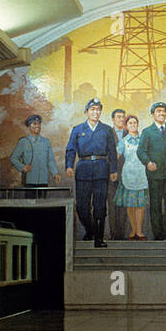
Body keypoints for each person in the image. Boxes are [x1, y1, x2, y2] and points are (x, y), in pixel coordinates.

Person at [64, 98, 118, 247]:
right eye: (92, 109)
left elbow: (112, 152)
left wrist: (113, 169)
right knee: (82, 207)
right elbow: (70, 149)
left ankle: (99, 239)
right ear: (86, 112)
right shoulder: (78, 129)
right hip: (83, 170)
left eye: (98, 109)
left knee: (100, 205)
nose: (96, 112)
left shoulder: (107, 130)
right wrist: (69, 166)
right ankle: (90, 229)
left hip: (101, 169)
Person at [135, 101, 166, 241]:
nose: (161, 114)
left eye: (163, 111)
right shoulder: (147, 132)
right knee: (155, 205)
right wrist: (148, 162)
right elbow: (140, 151)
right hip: (154, 175)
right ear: (152, 115)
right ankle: (158, 235)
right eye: (158, 111)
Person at [115, 115, 149, 240]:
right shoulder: (123, 141)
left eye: (135, 123)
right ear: (126, 126)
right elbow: (116, 156)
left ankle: (140, 231)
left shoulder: (143, 140)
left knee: (140, 204)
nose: (133, 125)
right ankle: (133, 230)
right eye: (130, 123)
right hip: (128, 174)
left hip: (142, 173)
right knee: (130, 205)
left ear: (138, 125)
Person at [10, 114, 54, 187]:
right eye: (34, 124)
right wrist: (22, 167)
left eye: (39, 124)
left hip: (43, 181)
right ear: (29, 126)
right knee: (29, 198)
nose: (38, 126)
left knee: (43, 198)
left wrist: (55, 173)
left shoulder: (46, 142)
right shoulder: (24, 141)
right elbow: (13, 158)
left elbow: (51, 160)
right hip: (29, 180)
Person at [107, 108, 129, 239]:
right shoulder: (107, 133)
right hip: (111, 175)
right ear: (113, 119)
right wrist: (111, 171)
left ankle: (122, 234)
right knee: (112, 205)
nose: (121, 119)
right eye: (118, 117)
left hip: (126, 175)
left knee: (124, 206)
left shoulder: (130, 133)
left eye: (123, 117)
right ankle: (114, 234)